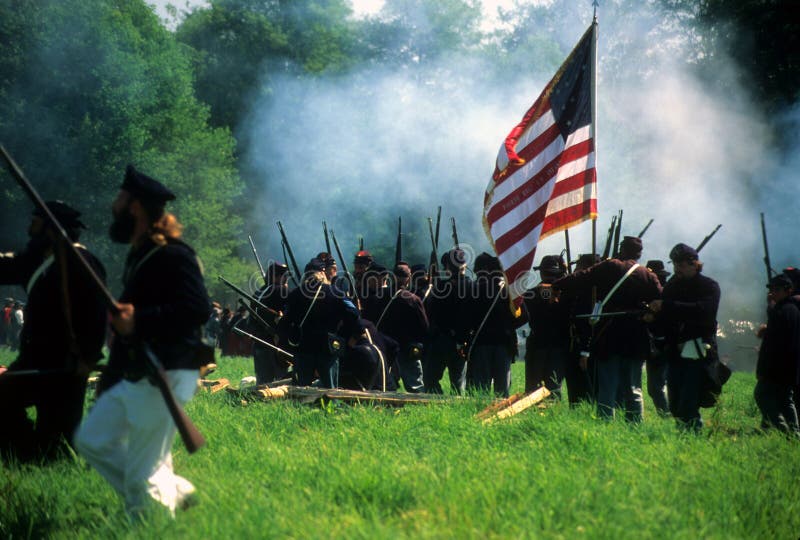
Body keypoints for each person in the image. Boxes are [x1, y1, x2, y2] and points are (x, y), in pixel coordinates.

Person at [74, 165, 211, 518]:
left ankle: (150, 518)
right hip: (139, 371)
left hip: (165, 369)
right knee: (92, 440)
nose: (114, 205)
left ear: (134, 206)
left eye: (120, 198)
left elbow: (197, 308)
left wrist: (140, 319)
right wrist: (111, 375)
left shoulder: (174, 254)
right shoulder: (141, 254)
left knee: (142, 475)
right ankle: (174, 490)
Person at [0, 201, 107, 461]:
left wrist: (87, 357)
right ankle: (22, 453)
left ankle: (39, 459)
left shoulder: (82, 263)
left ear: (51, 229)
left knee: (57, 446)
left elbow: (96, 315)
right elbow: (5, 267)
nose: (29, 228)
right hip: (33, 361)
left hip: (65, 365)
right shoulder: (37, 260)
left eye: (35, 223)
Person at [555, 237, 661, 422]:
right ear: (639, 254)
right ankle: (635, 425)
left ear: (622, 250)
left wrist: (556, 286)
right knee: (634, 389)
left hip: (609, 335)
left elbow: (582, 277)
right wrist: (650, 314)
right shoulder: (647, 275)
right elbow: (661, 301)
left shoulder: (610, 266)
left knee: (607, 387)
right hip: (636, 338)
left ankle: (605, 424)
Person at [647, 243, 720, 431]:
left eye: (681, 264)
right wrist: (652, 318)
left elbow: (704, 311)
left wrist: (667, 306)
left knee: (689, 400)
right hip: (674, 350)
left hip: (697, 347)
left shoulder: (709, 286)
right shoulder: (672, 286)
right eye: (675, 264)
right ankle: (684, 434)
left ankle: (692, 435)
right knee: (675, 401)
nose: (677, 268)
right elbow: (665, 319)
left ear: (694, 264)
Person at [277, 258, 356, 388]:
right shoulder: (336, 292)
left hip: (303, 347)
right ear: (322, 273)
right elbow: (353, 314)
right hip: (328, 347)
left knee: (301, 389)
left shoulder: (295, 294)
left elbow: (285, 323)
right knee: (330, 389)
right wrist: (343, 335)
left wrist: (285, 342)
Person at [753, 274, 800, 435]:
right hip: (788, 365)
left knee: (761, 395)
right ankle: (794, 434)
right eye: (772, 289)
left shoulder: (783, 310)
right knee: (785, 400)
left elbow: (775, 342)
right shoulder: (789, 309)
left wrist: (764, 367)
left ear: (788, 291)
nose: (773, 293)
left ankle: (782, 428)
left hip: (777, 366)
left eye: (777, 289)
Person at [467, 253, 520, 397]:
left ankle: (481, 409)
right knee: (502, 389)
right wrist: (508, 326)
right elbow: (523, 316)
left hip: (481, 341)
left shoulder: (475, 288)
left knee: (481, 387)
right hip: (504, 342)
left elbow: (468, 316)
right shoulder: (510, 290)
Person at [425, 248, 473, 394]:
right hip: (463, 338)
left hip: (443, 338)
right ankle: (455, 403)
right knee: (458, 382)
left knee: (430, 378)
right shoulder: (471, 285)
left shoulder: (442, 286)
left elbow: (431, 310)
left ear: (448, 267)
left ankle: (436, 400)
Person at [375, 263, 429, 393]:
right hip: (407, 347)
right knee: (415, 386)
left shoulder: (379, 295)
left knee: (387, 384)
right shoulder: (413, 299)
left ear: (393, 277)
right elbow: (424, 326)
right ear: (408, 278)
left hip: (386, 347)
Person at [523, 255, 570, 398]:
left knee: (533, 388)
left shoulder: (531, 294)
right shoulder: (567, 294)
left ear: (542, 273)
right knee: (554, 388)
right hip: (559, 345)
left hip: (537, 344)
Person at [251, 262, 290, 384]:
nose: (286, 279)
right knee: (281, 383)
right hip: (276, 344)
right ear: (275, 277)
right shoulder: (281, 291)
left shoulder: (258, 292)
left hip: (259, 342)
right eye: (284, 276)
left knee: (262, 382)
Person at [645, 259, 671, 416]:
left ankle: (666, 414)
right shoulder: (666, 292)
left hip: (662, 344)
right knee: (656, 386)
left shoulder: (667, 295)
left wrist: (652, 316)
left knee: (656, 386)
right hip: (656, 344)